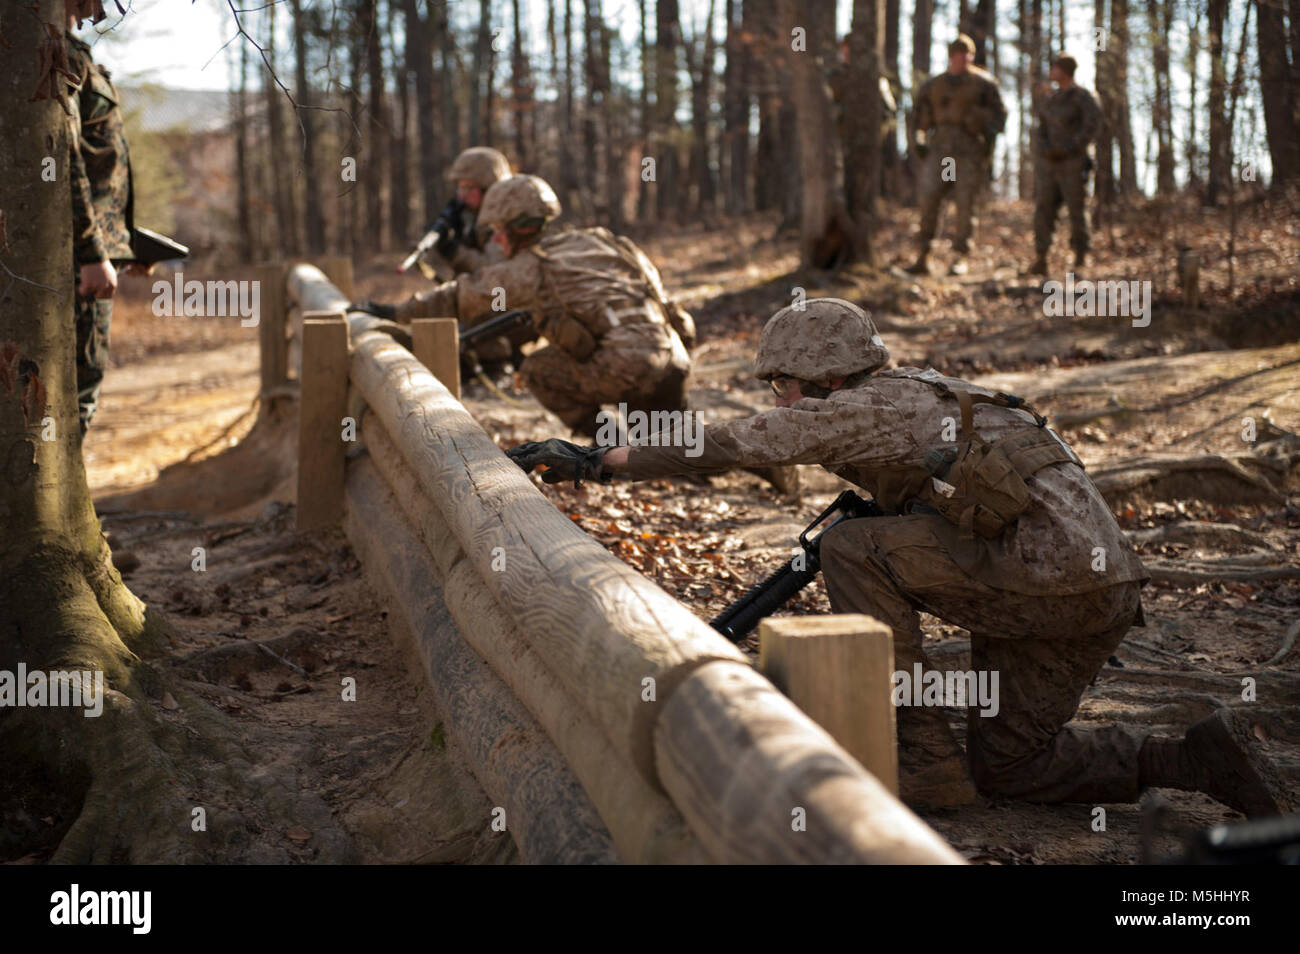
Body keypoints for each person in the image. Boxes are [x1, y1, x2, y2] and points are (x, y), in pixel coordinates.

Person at [506, 298, 1290, 817]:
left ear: (823, 379)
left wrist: (595, 456)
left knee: (850, 548)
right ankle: (1189, 760)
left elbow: (730, 441)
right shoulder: (933, 392)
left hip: (1036, 581)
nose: (779, 396)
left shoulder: (862, 408)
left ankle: (921, 757)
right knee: (1015, 769)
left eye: (782, 383)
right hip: (1094, 591)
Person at [362, 174, 694, 439]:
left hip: (627, 369)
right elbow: (666, 303)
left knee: (536, 370)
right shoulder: (602, 240)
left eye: (497, 231)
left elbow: (456, 297)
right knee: (678, 446)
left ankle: (609, 447)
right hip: (673, 359)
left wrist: (391, 312)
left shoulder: (528, 268)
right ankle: (706, 453)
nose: (494, 240)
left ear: (516, 227)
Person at [66, 0, 145, 434]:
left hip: (94, 249)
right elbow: (64, 157)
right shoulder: (50, 54)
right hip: (75, 259)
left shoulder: (74, 52)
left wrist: (124, 244)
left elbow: (100, 171)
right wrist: (92, 252)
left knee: (79, 389)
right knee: (75, 392)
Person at [906, 34, 1007, 277]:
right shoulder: (933, 85)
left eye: (968, 54)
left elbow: (1000, 116)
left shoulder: (984, 84)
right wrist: (918, 142)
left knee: (965, 205)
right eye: (959, 53)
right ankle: (923, 254)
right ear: (951, 56)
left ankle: (959, 257)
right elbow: (917, 115)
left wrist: (986, 137)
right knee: (929, 199)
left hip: (969, 151)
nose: (963, 58)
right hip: (939, 149)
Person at [1028, 55, 1104, 275]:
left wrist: (1071, 147)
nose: (1052, 71)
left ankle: (1081, 259)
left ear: (1065, 70)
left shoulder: (1084, 97)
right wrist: (1044, 149)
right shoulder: (1051, 99)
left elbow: (1092, 125)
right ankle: (1041, 258)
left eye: (1056, 67)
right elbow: (1041, 127)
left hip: (1074, 164)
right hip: (1050, 165)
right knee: (1044, 210)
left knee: (1077, 210)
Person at [422, 146, 512, 279]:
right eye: (460, 188)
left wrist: (454, 251)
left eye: (468, 188)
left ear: (490, 188)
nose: (462, 196)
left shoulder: (506, 220)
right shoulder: (473, 217)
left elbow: (494, 270)